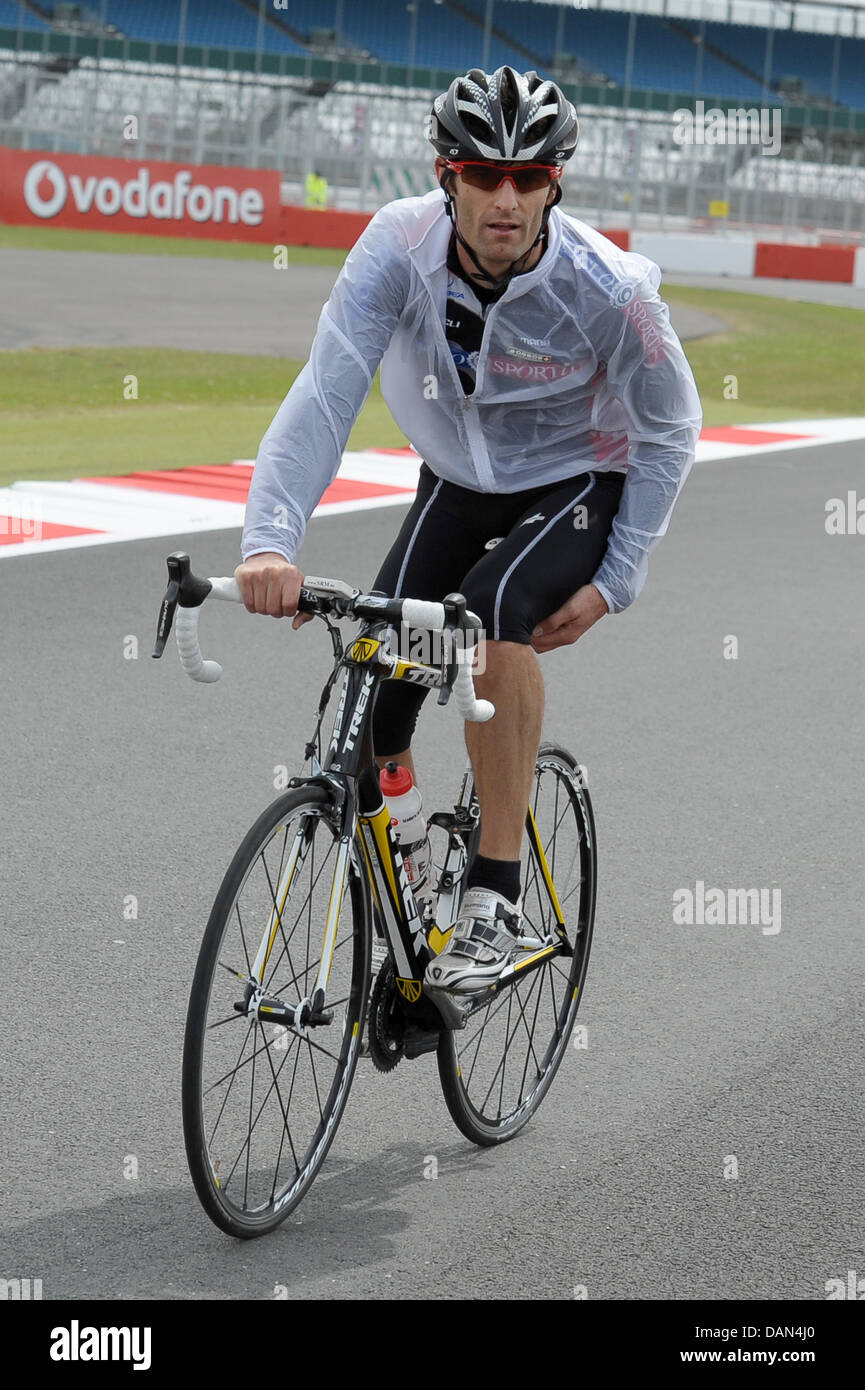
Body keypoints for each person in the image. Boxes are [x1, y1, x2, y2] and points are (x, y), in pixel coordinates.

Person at [236, 66, 702, 995]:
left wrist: (618, 576)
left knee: (491, 611)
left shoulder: (610, 288)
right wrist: (268, 541)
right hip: (456, 481)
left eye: (528, 178)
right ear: (445, 175)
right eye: (482, 173)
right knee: (373, 687)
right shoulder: (392, 249)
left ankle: (494, 895)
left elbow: (669, 427)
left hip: (574, 480)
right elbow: (326, 397)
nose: (505, 196)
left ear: (554, 185)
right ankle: (408, 878)